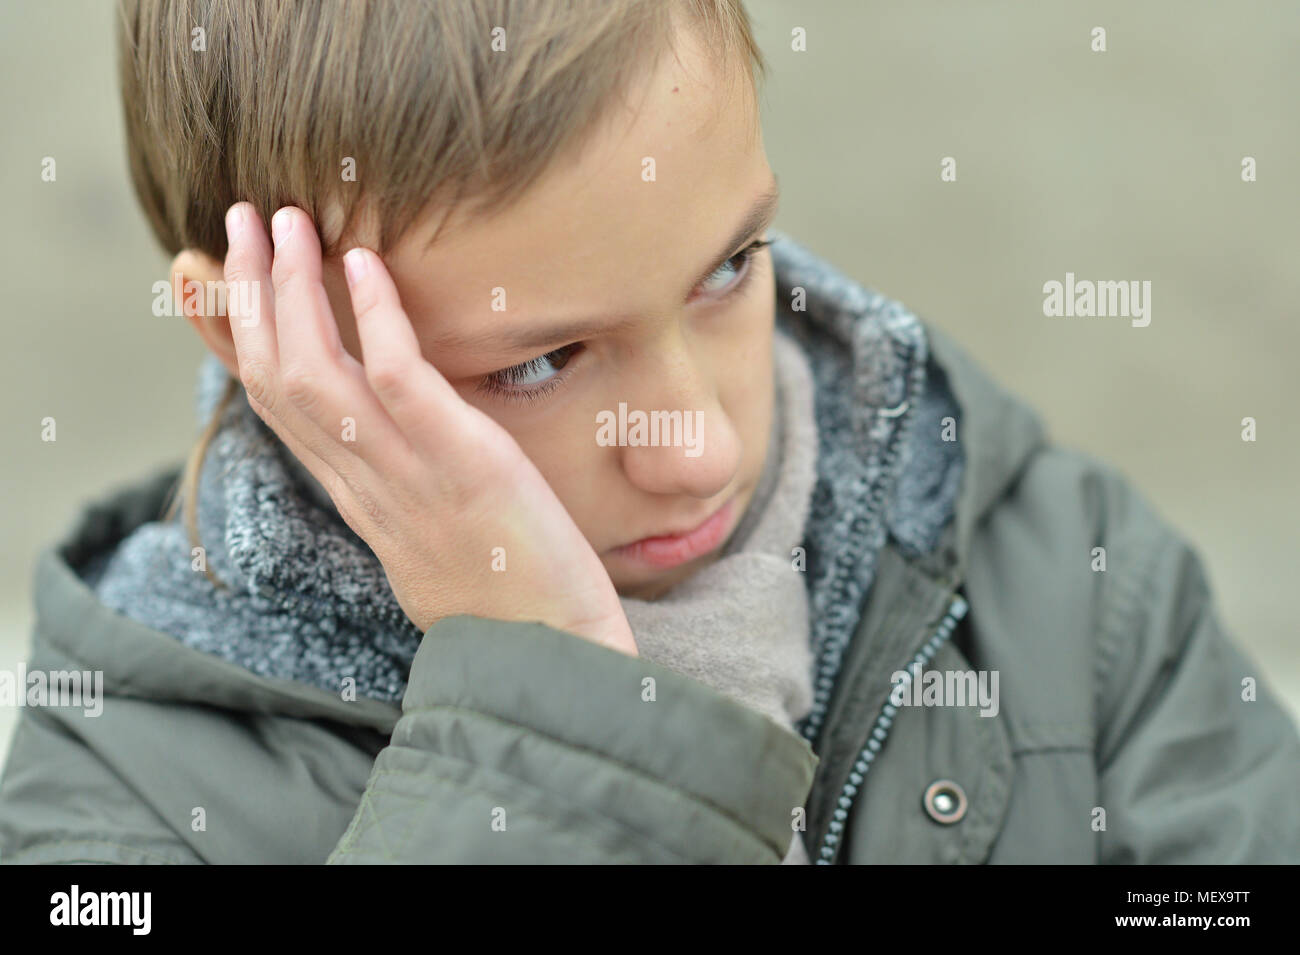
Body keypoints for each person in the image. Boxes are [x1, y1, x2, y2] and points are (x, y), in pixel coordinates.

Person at [1, 0, 1296, 864]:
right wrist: (545, 704)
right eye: (540, 361)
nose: (699, 451)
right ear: (256, 334)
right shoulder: (119, 797)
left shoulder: (1070, 583)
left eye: (729, 268)